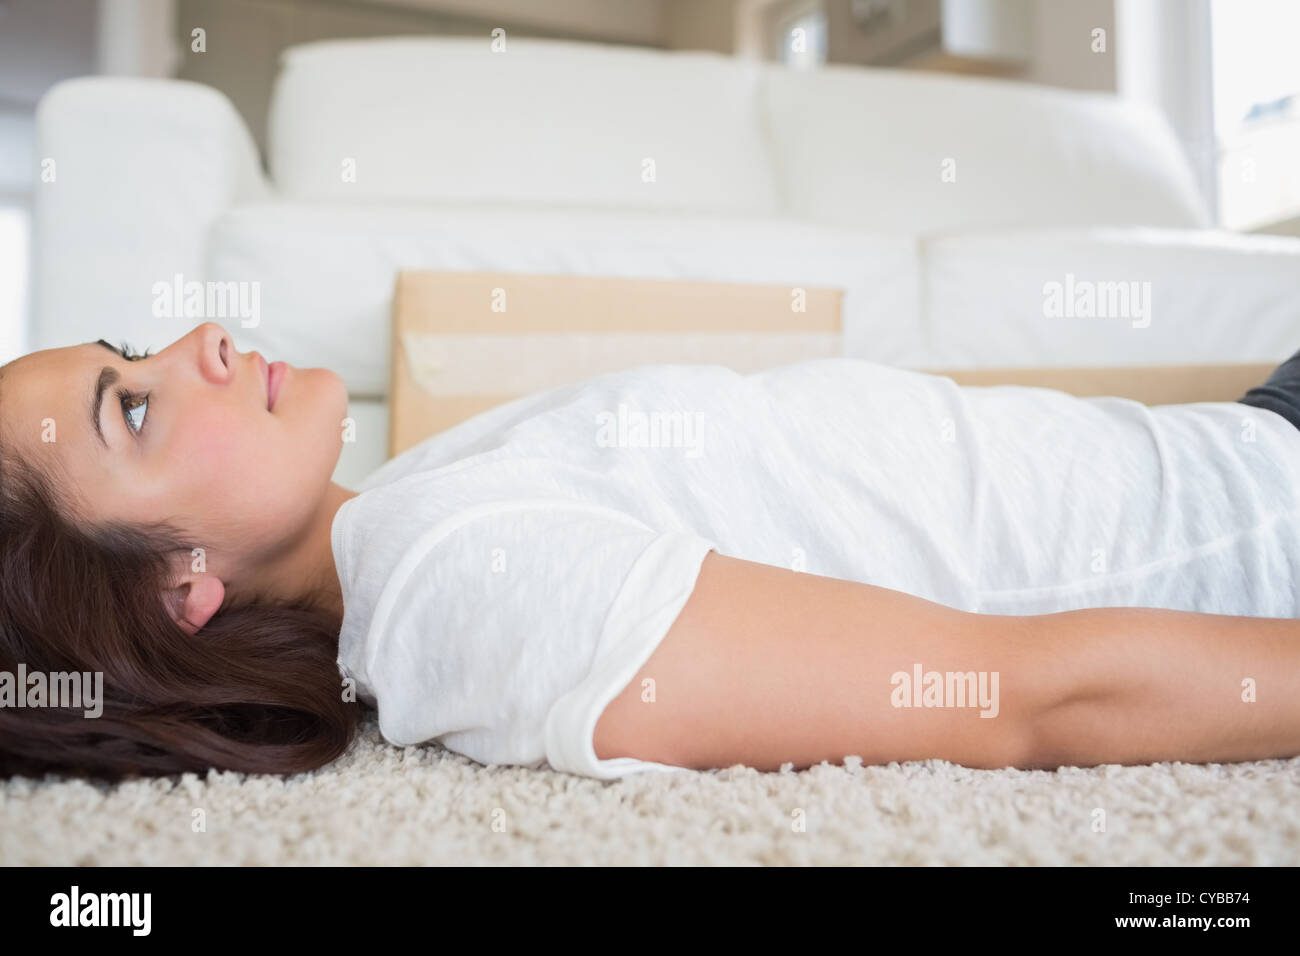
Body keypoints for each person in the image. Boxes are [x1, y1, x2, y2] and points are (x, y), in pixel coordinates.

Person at [3, 320, 1300, 783]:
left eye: (134, 351)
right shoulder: (454, 579)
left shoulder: (403, 507)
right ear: (176, 592)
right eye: (136, 409)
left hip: (1239, 444)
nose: (204, 341)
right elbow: (1021, 701)